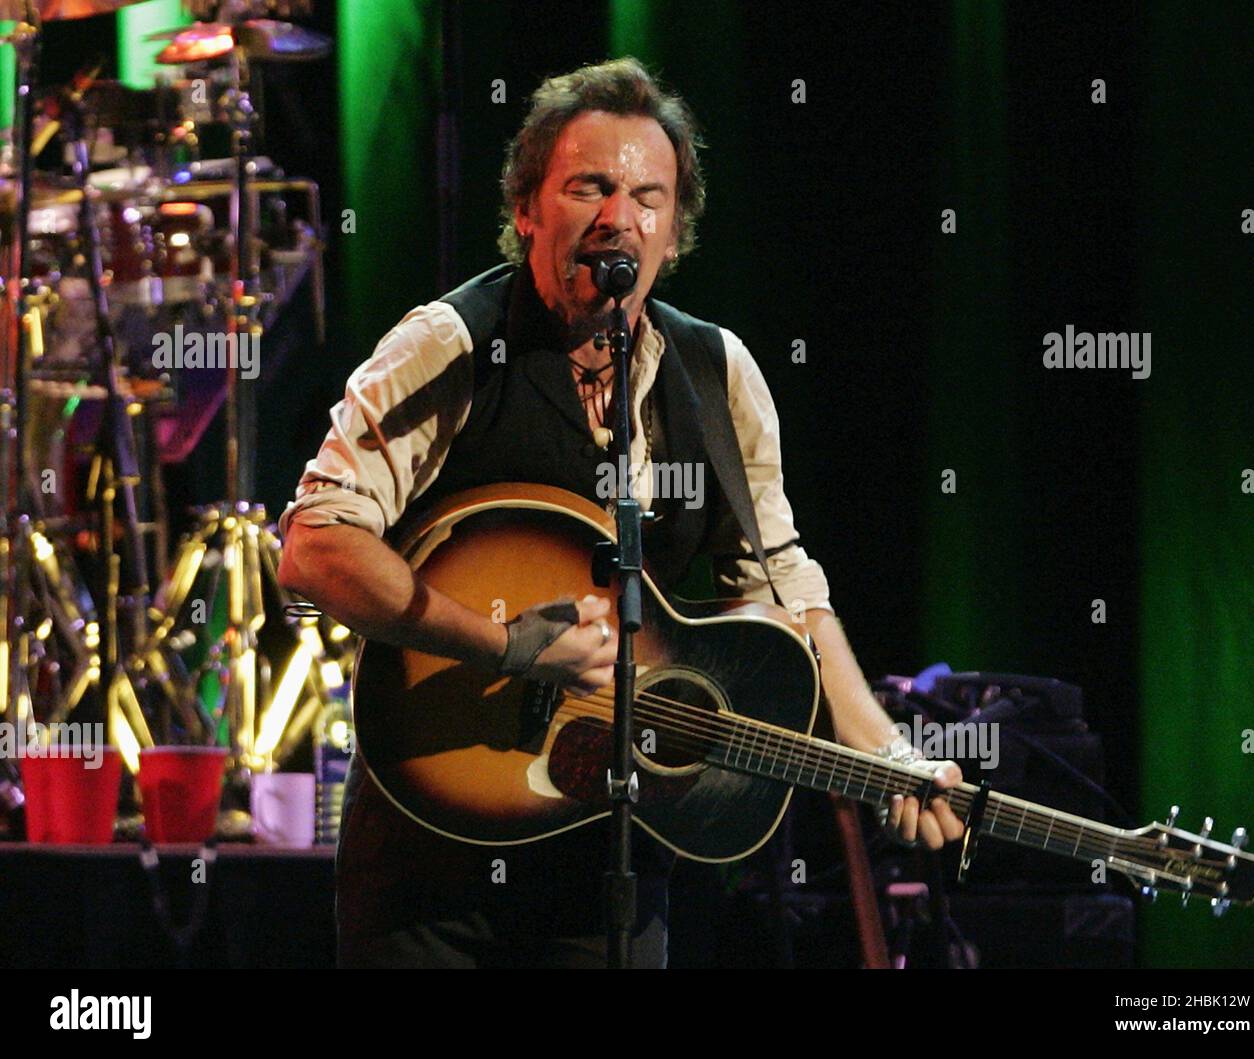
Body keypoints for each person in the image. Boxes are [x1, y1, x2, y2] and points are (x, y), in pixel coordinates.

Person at [277, 57, 965, 969]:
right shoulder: (448, 345)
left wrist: (888, 753)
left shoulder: (719, 375)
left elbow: (786, 586)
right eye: (588, 187)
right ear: (526, 207)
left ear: (674, 233)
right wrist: (502, 643)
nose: (618, 217)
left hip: (612, 859)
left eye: (648, 195)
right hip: (432, 848)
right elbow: (314, 548)